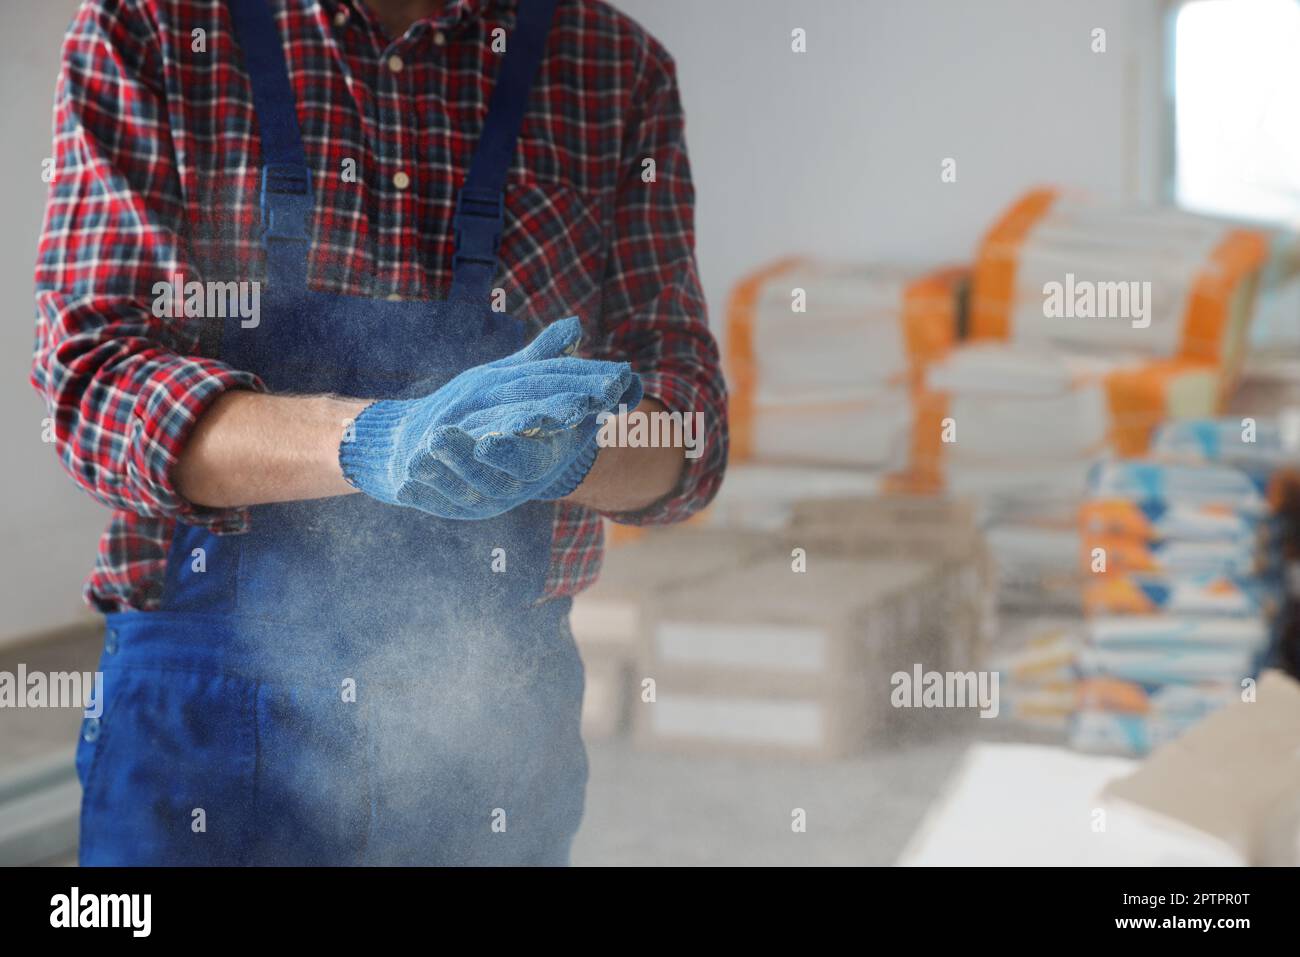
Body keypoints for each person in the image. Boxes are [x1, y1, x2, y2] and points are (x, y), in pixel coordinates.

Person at [31, 0, 727, 865]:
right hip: (200, 726)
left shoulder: (611, 67)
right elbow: (93, 386)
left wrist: (576, 451)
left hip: (487, 732)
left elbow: (690, 426)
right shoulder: (156, 29)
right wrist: (371, 442)